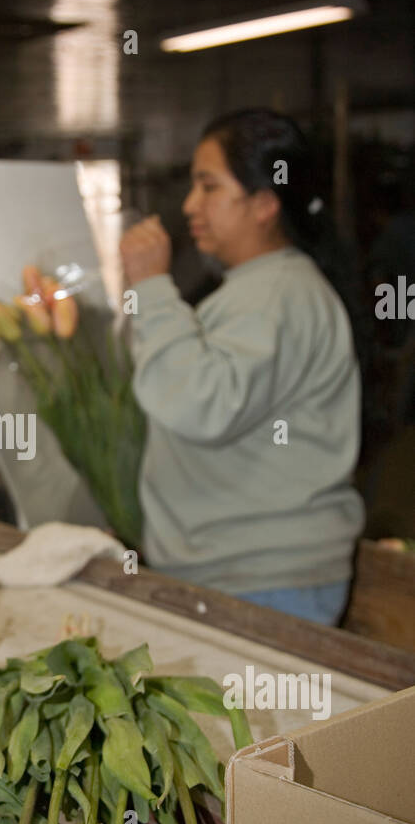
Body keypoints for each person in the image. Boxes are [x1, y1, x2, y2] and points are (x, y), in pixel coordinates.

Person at [119, 108, 364, 626]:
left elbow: (201, 403)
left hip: (262, 581)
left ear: (265, 202)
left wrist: (151, 288)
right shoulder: (256, 291)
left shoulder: (276, 295)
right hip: (241, 575)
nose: (191, 206)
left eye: (208, 187)